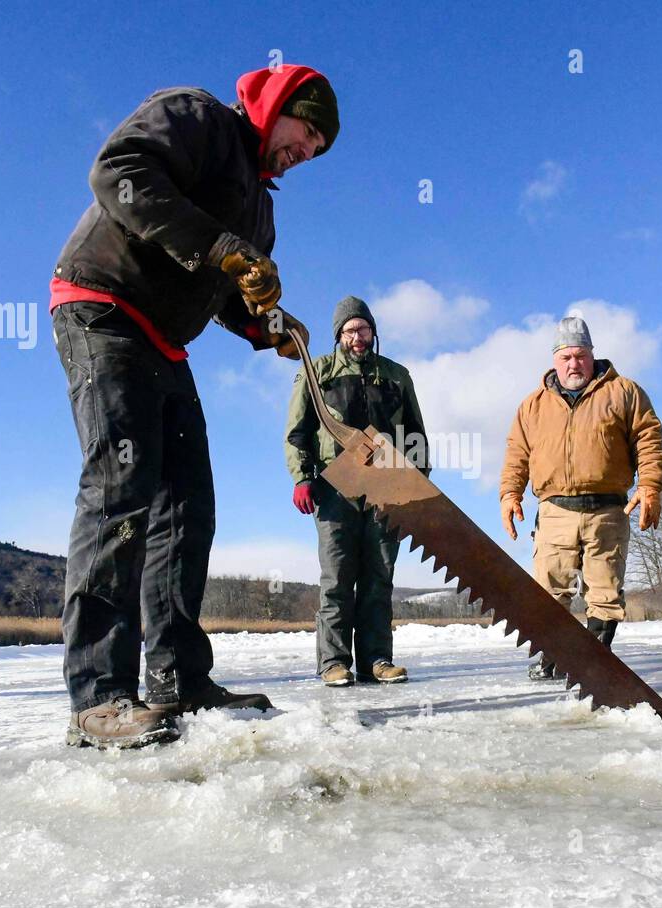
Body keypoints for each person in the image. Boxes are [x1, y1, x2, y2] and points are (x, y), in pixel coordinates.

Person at [50, 65, 340, 747]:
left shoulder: (261, 208)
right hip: (103, 304)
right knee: (122, 488)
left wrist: (263, 322)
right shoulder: (199, 118)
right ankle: (97, 696)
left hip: (164, 340)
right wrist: (220, 247)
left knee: (188, 507)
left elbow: (228, 292)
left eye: (316, 151)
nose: (305, 153)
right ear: (277, 106)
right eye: (305, 133)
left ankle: (178, 678)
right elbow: (119, 172)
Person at [499, 317, 662, 680]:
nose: (574, 364)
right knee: (548, 591)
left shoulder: (624, 391)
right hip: (554, 510)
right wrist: (511, 493)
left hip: (608, 509)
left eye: (580, 355)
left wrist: (649, 487)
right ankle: (554, 658)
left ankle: (592, 662)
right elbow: (517, 453)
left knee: (604, 591)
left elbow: (648, 439)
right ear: (554, 360)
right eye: (566, 356)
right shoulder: (533, 405)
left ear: (592, 355)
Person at [284, 296, 428, 687]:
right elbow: (297, 432)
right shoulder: (319, 373)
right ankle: (333, 662)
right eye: (349, 331)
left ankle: (377, 659)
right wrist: (301, 477)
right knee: (337, 577)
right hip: (334, 488)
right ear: (339, 336)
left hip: (386, 487)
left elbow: (415, 434)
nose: (357, 337)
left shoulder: (397, 375)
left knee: (379, 576)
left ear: (373, 331)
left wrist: (416, 483)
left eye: (363, 329)